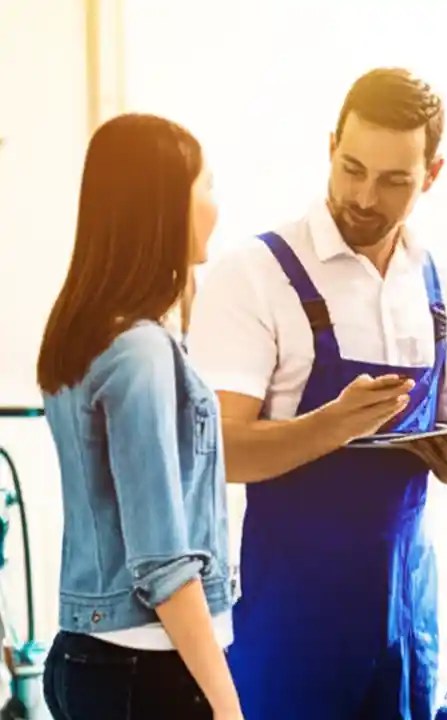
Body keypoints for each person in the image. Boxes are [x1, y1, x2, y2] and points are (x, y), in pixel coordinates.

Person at [186, 67, 447, 719]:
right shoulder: (256, 276)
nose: (364, 196)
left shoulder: (443, 288)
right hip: (294, 621)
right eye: (352, 168)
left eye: (393, 180)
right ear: (330, 146)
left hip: (407, 616)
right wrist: (335, 424)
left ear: (431, 175)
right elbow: (221, 454)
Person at [37, 113, 242, 719]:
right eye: (205, 186)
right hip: (148, 674)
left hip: (98, 659)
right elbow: (161, 562)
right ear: (162, 206)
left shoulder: (89, 336)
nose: (216, 205)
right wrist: (228, 708)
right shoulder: (141, 352)